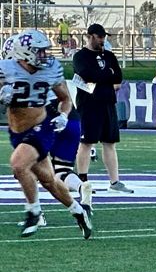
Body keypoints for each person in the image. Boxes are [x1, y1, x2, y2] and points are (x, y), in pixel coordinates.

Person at [2, 30, 92, 238]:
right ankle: (78, 211)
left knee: (18, 165)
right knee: (49, 180)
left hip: (42, 126)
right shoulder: (7, 69)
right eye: (38, 51)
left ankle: (33, 212)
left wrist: (63, 115)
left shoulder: (49, 69)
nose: (43, 55)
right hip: (18, 131)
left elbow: (65, 98)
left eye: (44, 50)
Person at [72, 23, 132, 194]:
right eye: (99, 37)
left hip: (107, 103)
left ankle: (115, 181)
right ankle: (82, 181)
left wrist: (101, 78)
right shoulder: (80, 56)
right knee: (86, 142)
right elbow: (85, 74)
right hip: (89, 104)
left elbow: (118, 77)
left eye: (103, 37)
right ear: (90, 36)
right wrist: (107, 76)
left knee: (110, 142)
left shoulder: (110, 56)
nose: (102, 40)